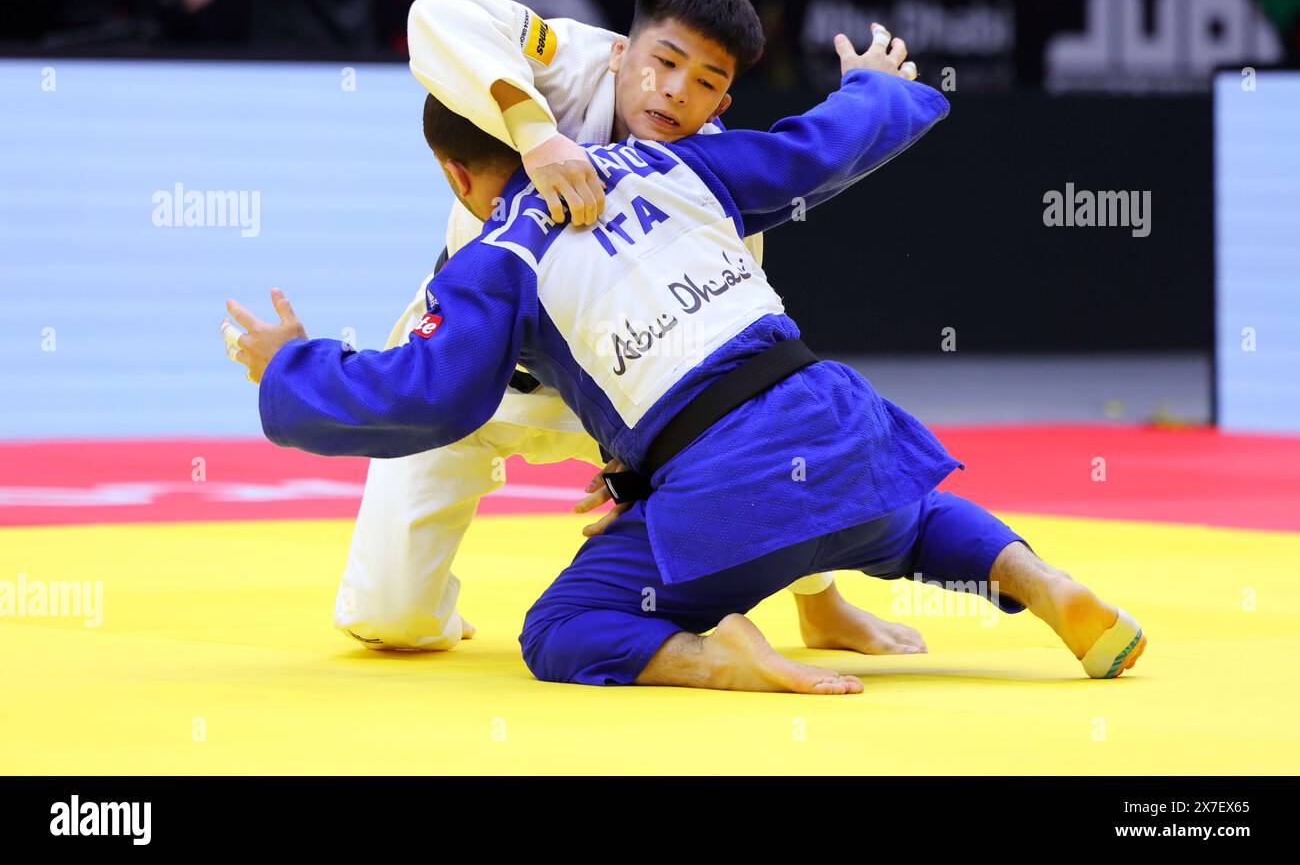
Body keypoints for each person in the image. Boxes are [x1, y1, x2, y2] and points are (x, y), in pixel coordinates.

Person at [224, 34, 1147, 693]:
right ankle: (1043, 583)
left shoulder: (496, 256)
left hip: (719, 471)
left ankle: (720, 656)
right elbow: (817, 149)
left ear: (455, 176)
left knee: (561, 632)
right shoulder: (674, 165)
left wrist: (291, 366)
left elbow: (431, 394)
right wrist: (874, 87)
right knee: (903, 522)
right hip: (835, 413)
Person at [328, 0, 921, 656]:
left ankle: (822, 604)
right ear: (619, 51)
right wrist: (535, 135)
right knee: (388, 622)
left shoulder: (708, 175)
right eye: (664, 63)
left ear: (724, 99)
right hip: (481, 378)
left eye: (704, 82)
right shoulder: (561, 65)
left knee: (765, 435)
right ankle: (421, 603)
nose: (673, 91)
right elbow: (437, 10)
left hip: (613, 397)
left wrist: (639, 465)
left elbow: (732, 372)